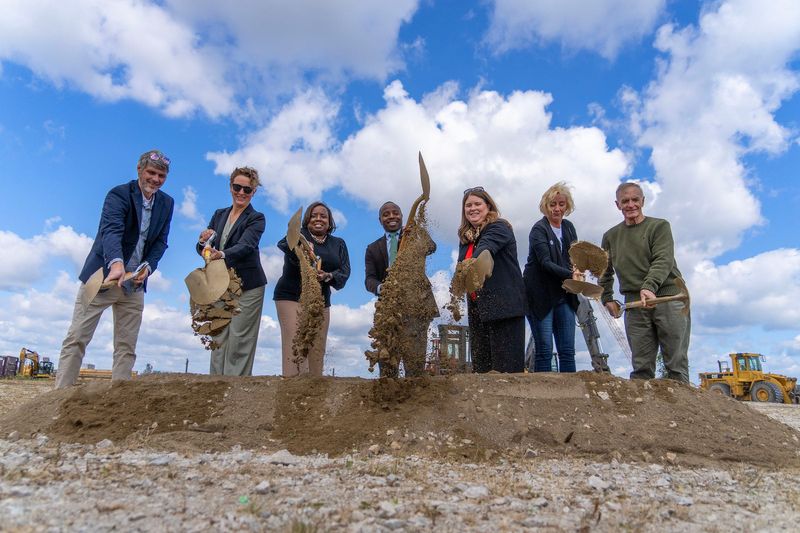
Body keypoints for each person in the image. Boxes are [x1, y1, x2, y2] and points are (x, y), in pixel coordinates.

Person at [55, 149, 175, 388]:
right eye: (151, 173)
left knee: (126, 346)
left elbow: (161, 241)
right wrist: (116, 264)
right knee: (77, 337)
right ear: (139, 170)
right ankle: (60, 395)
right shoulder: (119, 194)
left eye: (161, 176)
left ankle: (119, 398)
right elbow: (111, 230)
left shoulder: (167, 203)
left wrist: (147, 268)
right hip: (104, 278)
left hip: (134, 284)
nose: (155, 179)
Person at [599, 182, 690, 383]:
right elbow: (604, 270)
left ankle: (681, 403)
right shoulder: (610, 236)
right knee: (641, 368)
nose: (631, 205)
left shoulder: (659, 226)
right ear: (618, 204)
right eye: (625, 201)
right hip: (634, 304)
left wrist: (649, 287)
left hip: (668, 298)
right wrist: (607, 298)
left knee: (676, 366)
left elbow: (663, 259)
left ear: (643, 201)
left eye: (635, 200)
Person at [197, 166, 267, 376]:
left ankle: (235, 388)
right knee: (218, 336)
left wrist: (221, 254)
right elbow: (205, 248)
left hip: (248, 286)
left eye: (247, 189)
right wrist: (203, 243)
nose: (241, 193)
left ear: (253, 192)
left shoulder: (256, 218)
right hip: (220, 284)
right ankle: (216, 385)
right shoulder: (219, 215)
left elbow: (246, 246)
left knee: (239, 340)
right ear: (230, 187)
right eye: (237, 187)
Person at [274, 201, 350, 376]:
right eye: (314, 216)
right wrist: (302, 245)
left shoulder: (338, 243)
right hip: (290, 296)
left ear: (329, 222)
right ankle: (292, 385)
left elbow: (344, 271)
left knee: (317, 349)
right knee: (296, 344)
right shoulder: (300, 235)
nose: (318, 219)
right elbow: (284, 244)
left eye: (323, 216)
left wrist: (328, 275)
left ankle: (314, 387)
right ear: (307, 220)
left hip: (320, 301)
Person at [365, 201, 438, 377]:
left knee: (414, 363)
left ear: (402, 216)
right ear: (380, 220)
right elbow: (369, 279)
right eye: (386, 214)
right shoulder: (373, 249)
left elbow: (431, 247)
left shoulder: (412, 239)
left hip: (416, 305)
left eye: (395, 213)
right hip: (389, 311)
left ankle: (415, 390)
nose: (391, 216)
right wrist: (382, 288)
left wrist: (418, 230)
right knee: (387, 364)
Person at [457, 187, 526, 373]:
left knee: (506, 372)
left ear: (488, 206)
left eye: (477, 204)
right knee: (482, 370)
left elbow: (488, 246)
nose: (473, 208)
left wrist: (478, 259)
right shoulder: (466, 239)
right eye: (468, 205)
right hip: (479, 311)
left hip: (504, 309)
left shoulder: (499, 227)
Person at [523, 182, 583, 373]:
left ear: (567, 206)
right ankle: (544, 388)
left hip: (564, 294)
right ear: (545, 206)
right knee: (544, 350)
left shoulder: (569, 228)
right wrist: (571, 274)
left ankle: (571, 387)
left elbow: (574, 256)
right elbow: (545, 263)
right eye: (552, 204)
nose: (557, 209)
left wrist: (579, 268)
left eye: (561, 204)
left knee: (567, 350)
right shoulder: (538, 229)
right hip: (540, 295)